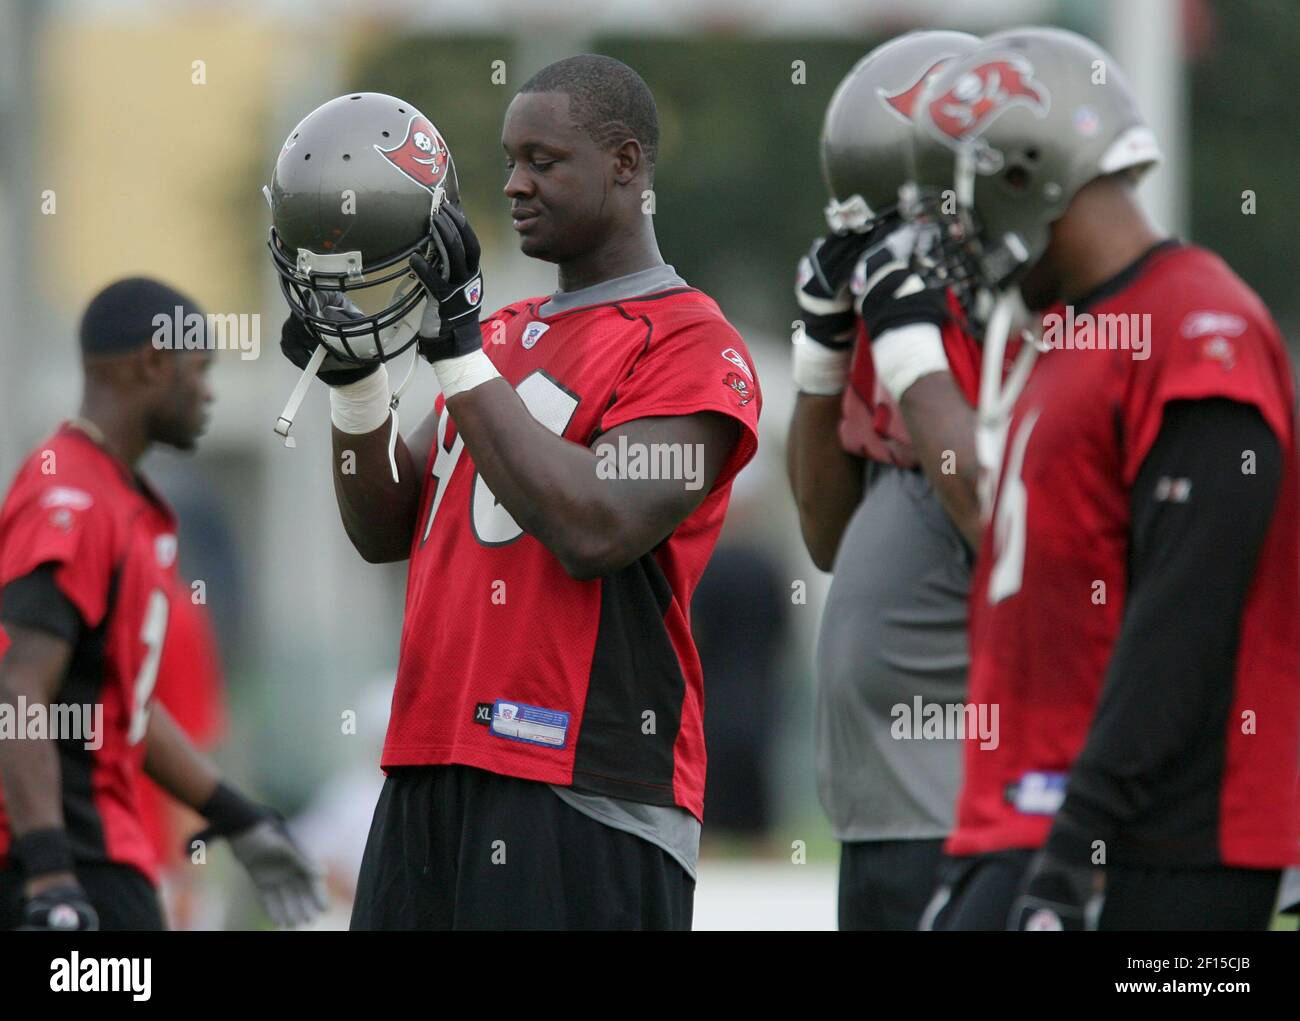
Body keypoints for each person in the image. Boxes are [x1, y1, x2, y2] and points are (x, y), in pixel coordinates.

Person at [274, 56, 761, 930]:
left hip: (581, 780)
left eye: (544, 160)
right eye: (508, 160)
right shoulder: (501, 334)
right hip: (430, 764)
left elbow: (598, 525)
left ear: (625, 163)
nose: (514, 184)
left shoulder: (694, 343)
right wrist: (357, 385)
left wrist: (456, 350)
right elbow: (388, 526)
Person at [860, 27, 1298, 930]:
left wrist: (1081, 838)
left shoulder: (1196, 323)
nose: (954, 234)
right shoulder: (1059, 337)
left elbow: (1189, 609)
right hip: (1033, 813)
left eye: (959, 202)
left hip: (1161, 839)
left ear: (1024, 172)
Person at [0, 278, 326, 930]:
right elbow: (17, 687)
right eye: (199, 369)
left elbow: (126, 706)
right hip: (69, 867)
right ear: (152, 362)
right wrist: (49, 871)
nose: (209, 392)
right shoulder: (70, 498)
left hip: (109, 859)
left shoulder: (121, 500)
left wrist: (238, 815)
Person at [787, 30, 987, 930]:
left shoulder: (1050, 323)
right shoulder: (905, 310)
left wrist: (913, 344)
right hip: (879, 817)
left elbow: (993, 512)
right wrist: (824, 351)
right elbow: (828, 536)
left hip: (977, 812)